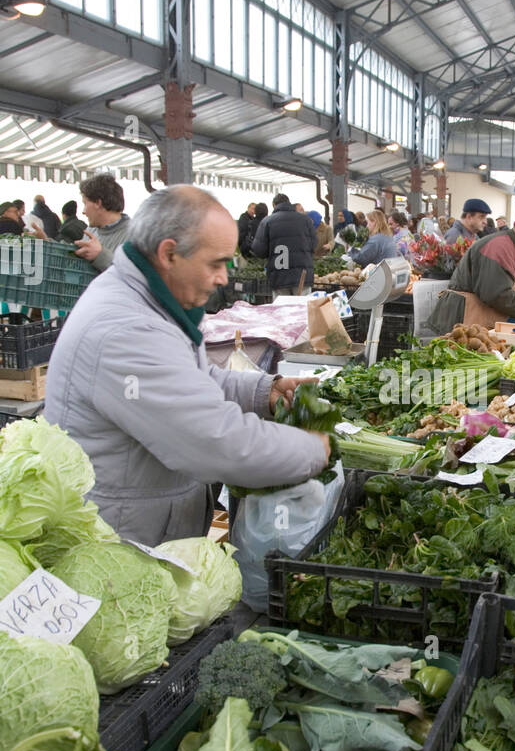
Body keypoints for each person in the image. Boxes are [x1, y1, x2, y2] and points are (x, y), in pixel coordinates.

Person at [44, 186, 329, 544]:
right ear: (169, 254)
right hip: (119, 543)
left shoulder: (147, 299)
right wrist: (314, 449)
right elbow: (212, 441)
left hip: (142, 527)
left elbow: (189, 379)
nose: (225, 277)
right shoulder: (127, 329)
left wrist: (264, 391)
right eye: (216, 263)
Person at [429, 214, 515, 333]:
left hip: (468, 320)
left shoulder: (506, 245)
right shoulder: (500, 248)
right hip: (462, 321)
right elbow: (495, 293)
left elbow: (498, 286)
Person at [251, 192, 315, 294]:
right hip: (302, 275)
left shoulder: (267, 221)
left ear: (273, 205)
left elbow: (259, 250)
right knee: (302, 308)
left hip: (279, 276)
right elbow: (313, 245)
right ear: (289, 203)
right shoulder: (306, 220)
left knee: (281, 309)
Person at [75, 174, 130, 271]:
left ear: (98, 203)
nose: (83, 211)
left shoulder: (135, 235)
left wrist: (100, 255)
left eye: (85, 203)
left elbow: (135, 276)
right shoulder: (91, 230)